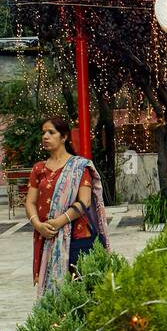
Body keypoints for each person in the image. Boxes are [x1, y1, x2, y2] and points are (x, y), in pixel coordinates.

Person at [26, 117, 110, 298]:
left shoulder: (79, 167)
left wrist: (58, 222)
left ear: (63, 137)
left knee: (81, 293)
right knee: (53, 297)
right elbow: (30, 202)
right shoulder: (38, 169)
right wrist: (38, 225)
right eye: (43, 133)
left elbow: (84, 202)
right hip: (46, 237)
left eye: (51, 132)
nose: (45, 137)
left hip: (78, 238)